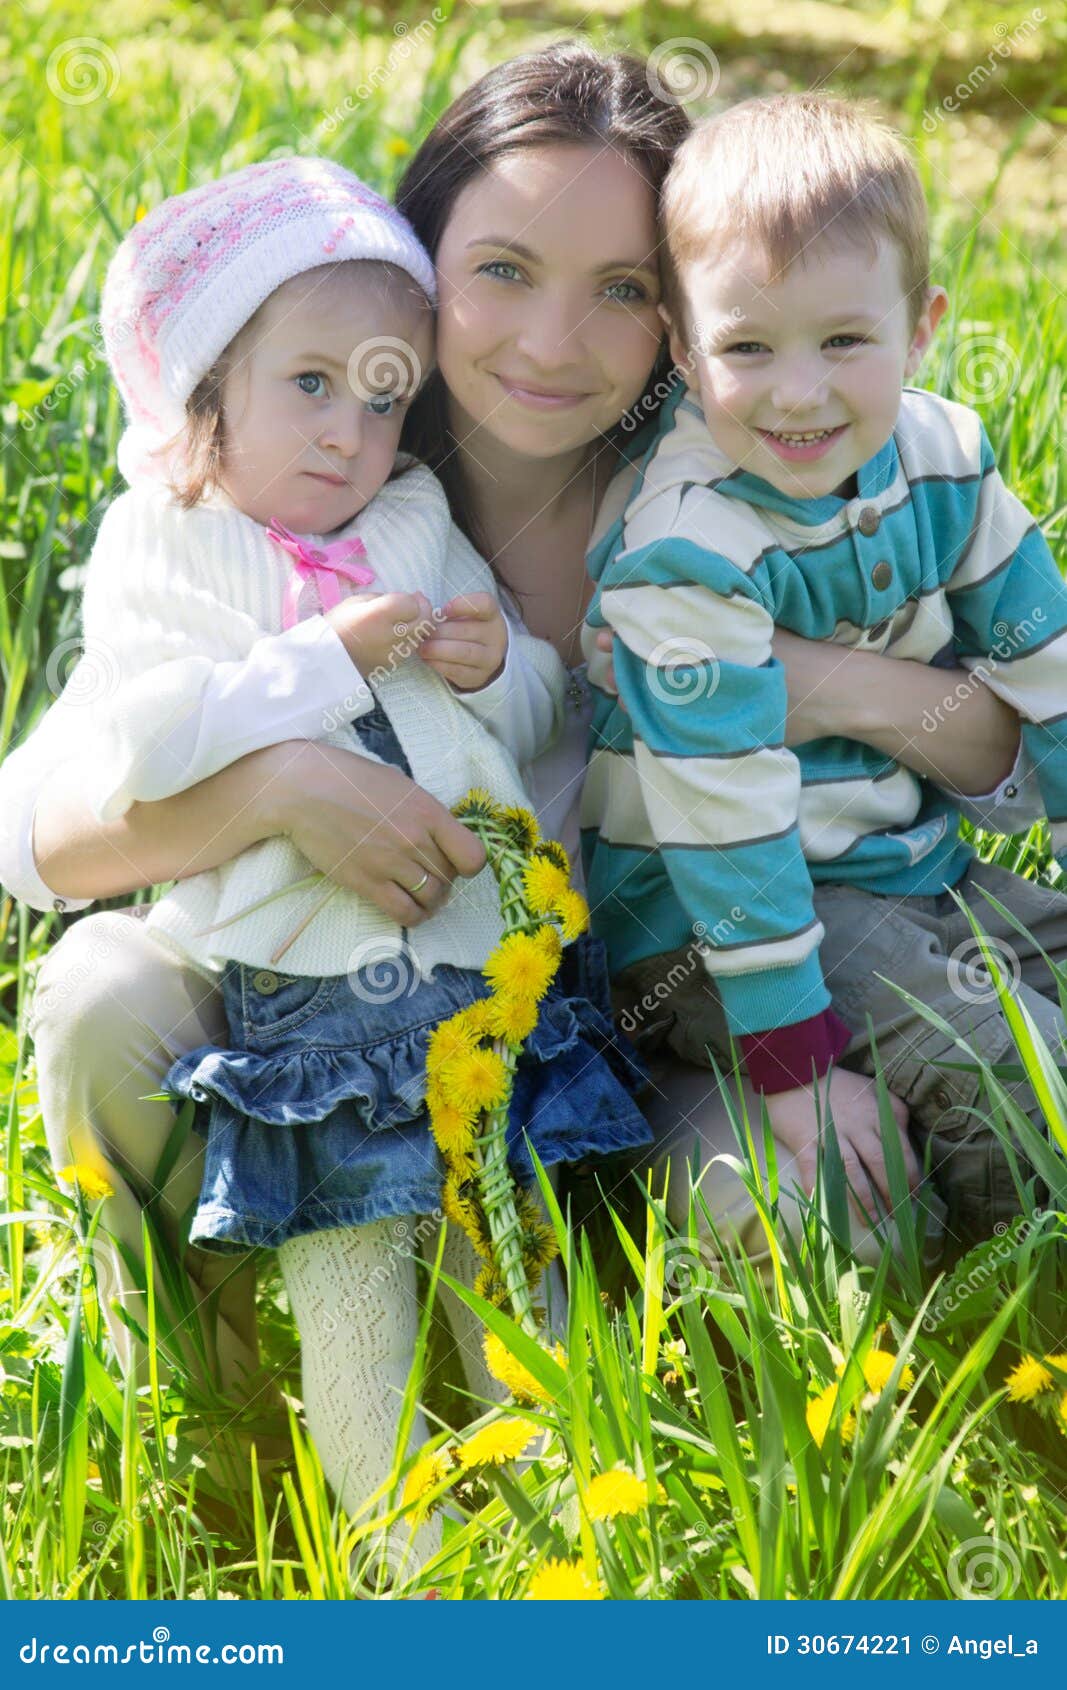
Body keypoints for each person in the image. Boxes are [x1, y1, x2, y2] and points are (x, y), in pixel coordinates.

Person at [0, 44, 1039, 1526]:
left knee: (807, 1187)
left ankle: (675, 1500)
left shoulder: (748, 479)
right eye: (500, 268)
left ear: (677, 313)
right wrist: (289, 783)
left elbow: (994, 752)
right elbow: (34, 826)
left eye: (619, 289)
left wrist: (789, 681)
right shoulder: (309, 482)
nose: (555, 341)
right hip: (334, 1024)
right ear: (417, 266)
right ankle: (227, 1446)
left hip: (639, 1043)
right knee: (106, 995)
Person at [35, 152, 657, 1546]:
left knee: (507, 1252)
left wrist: (498, 666)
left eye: (380, 401)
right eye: (307, 387)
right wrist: (317, 682)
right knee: (353, 1269)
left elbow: (534, 710)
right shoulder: (171, 545)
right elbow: (129, 751)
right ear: (202, 396)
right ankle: (363, 1520)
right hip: (306, 1011)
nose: (346, 434)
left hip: (482, 984)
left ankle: (574, 1521)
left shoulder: (409, 521)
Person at [584, 90, 1063, 1256]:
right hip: (707, 921)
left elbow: (1046, 665)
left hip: (903, 869)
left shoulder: (943, 463)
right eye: (747, 348)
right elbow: (726, 827)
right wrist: (789, 1061)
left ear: (921, 326)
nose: (797, 394)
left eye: (843, 341)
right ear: (687, 357)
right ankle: (1021, 1313)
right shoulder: (683, 556)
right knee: (1002, 1059)